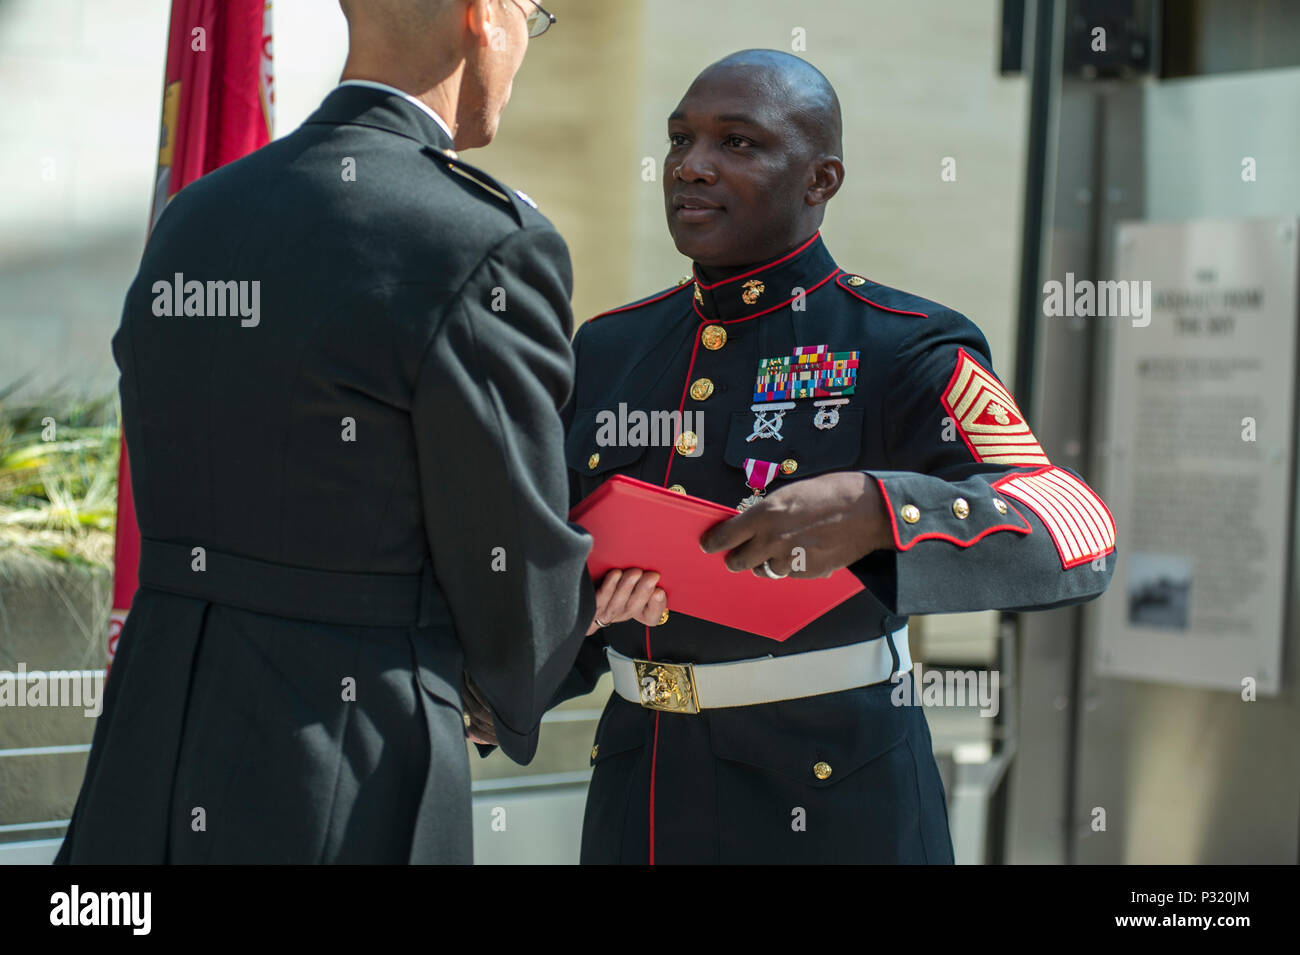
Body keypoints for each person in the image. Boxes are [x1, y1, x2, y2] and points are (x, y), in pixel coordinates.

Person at [56, 0, 660, 865]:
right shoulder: (483, 242)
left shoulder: (195, 215)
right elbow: (515, 583)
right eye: (535, 12)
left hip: (148, 744)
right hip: (343, 767)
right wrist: (582, 616)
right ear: (484, 16)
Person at [557, 49, 1117, 864]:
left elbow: (1075, 525)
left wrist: (878, 508)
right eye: (681, 139)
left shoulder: (904, 345)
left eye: (738, 143)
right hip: (638, 786)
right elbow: (557, 558)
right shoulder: (611, 347)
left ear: (821, 180)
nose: (691, 166)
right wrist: (489, 689)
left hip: (832, 795)